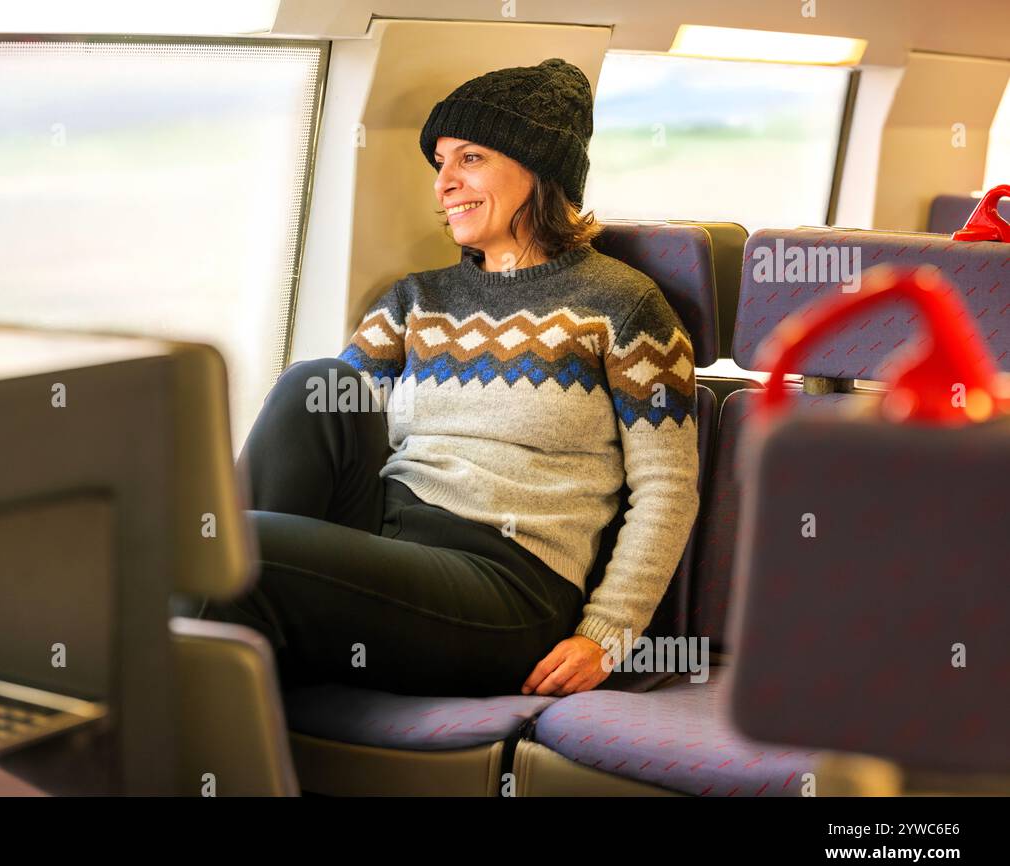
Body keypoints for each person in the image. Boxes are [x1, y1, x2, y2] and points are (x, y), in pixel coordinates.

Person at [199, 58, 700, 698]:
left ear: (538, 169)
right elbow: (328, 437)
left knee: (237, 553)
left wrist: (609, 633)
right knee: (313, 386)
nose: (443, 184)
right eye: (440, 163)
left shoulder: (622, 305)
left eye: (469, 159)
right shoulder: (414, 300)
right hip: (384, 547)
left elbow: (667, 488)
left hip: (504, 581)